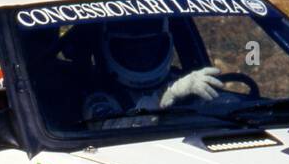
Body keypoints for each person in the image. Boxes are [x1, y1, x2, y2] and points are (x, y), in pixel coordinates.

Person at [79, 19, 225, 123]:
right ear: (111, 49)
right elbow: (121, 129)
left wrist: (233, 104)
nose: (142, 57)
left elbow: (221, 109)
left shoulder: (184, 82)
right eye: (132, 51)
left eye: (150, 49)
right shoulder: (100, 98)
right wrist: (168, 95)